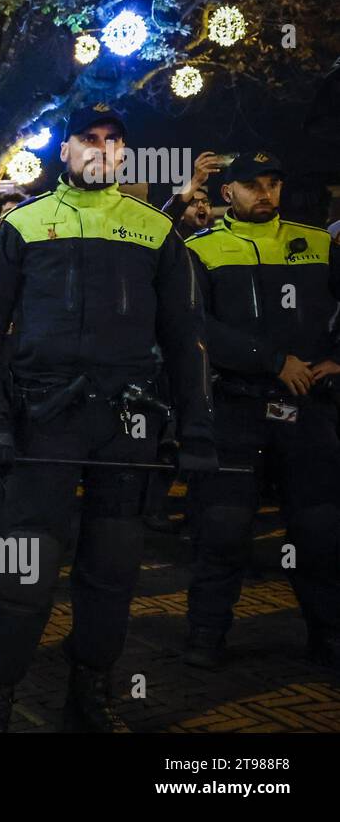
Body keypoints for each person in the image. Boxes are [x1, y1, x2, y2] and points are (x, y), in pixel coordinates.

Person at [0, 104, 217, 732]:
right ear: (67, 150)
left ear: (124, 154)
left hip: (127, 421)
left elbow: (188, 339)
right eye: (88, 139)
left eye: (112, 140)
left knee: (112, 569)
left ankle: (92, 691)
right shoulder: (24, 224)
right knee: (27, 572)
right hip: (43, 417)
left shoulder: (157, 232)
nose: (100, 149)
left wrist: (198, 428)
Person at [182, 151, 340, 670]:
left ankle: (328, 636)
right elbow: (195, 324)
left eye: (273, 182)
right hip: (236, 409)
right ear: (228, 192)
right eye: (253, 184)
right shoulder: (202, 249)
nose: (266, 192)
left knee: (319, 531)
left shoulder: (317, 242)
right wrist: (273, 361)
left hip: (307, 410)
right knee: (223, 529)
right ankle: (206, 636)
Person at [161, 151, 222, 238]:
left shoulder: (221, 235)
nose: (201, 205)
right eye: (193, 203)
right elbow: (165, 218)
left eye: (205, 202)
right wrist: (196, 180)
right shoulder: (176, 242)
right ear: (181, 214)